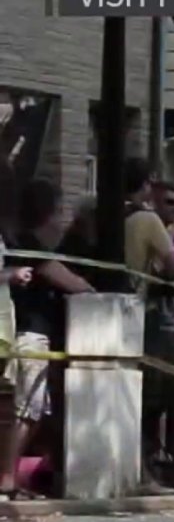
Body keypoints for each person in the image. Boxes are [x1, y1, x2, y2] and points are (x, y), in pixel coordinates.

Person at [2, 180, 93, 501]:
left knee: (37, 411)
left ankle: (25, 475)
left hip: (36, 336)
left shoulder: (26, 243)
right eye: (58, 210)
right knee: (29, 410)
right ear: (46, 212)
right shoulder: (31, 247)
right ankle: (8, 480)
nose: (61, 218)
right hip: (31, 336)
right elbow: (74, 284)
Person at [124, 159, 174, 493]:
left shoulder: (103, 212)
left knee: (138, 395)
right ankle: (150, 471)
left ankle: (150, 467)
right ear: (146, 186)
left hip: (115, 310)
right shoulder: (146, 219)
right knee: (160, 396)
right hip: (143, 312)